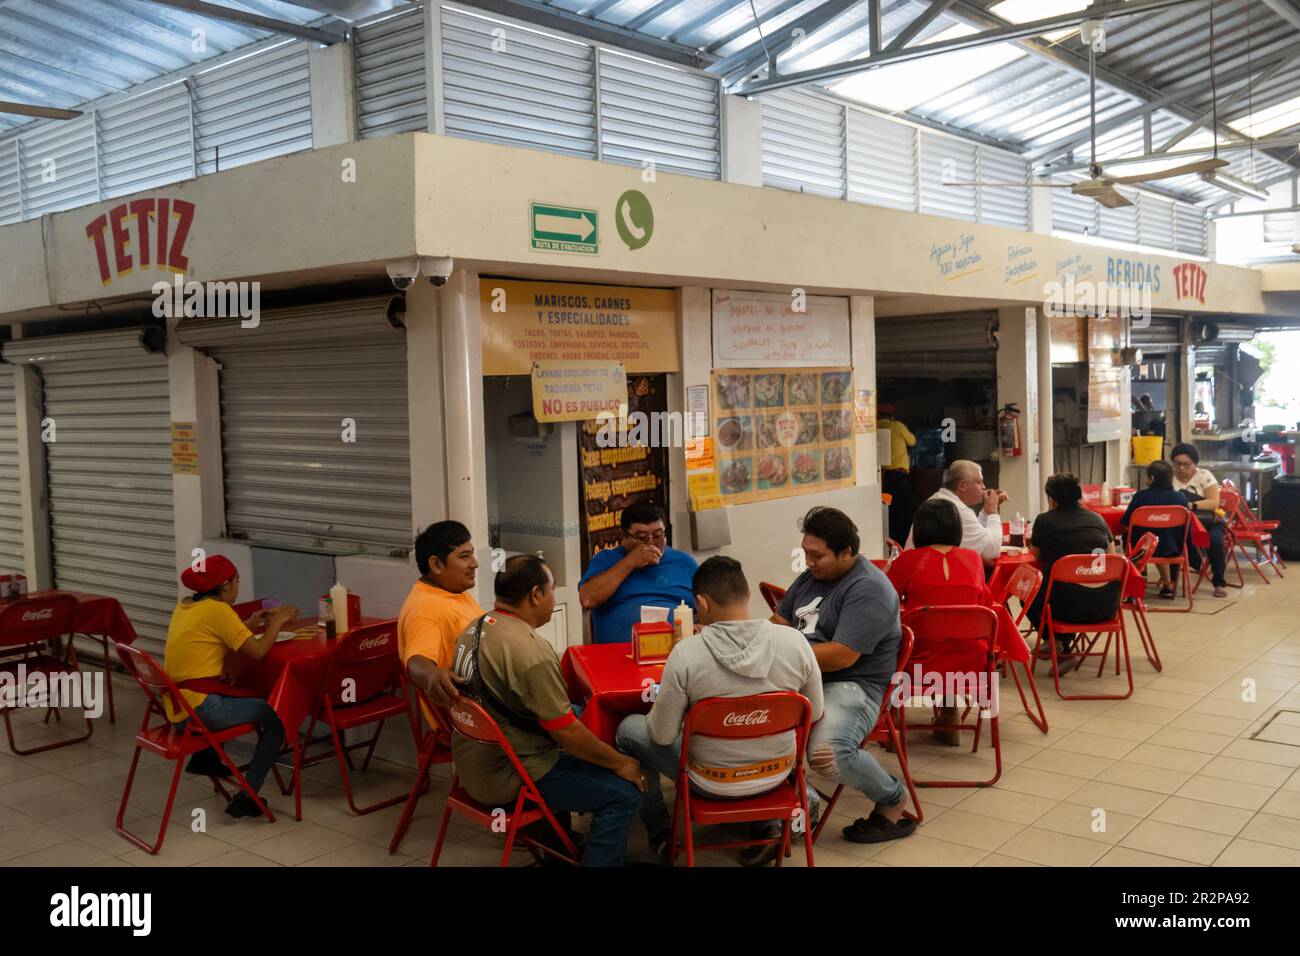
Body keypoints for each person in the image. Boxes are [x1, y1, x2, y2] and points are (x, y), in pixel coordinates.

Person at [614, 556, 823, 865]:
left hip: (710, 782)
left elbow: (661, 736)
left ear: (702, 603)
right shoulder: (795, 642)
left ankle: (660, 832)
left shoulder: (686, 654)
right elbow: (814, 712)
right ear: (747, 594)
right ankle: (769, 822)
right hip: (778, 775)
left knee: (628, 728)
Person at [449, 555, 646, 867]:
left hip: (470, 765)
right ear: (536, 595)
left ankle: (559, 852)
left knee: (579, 720)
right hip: (509, 776)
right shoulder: (531, 652)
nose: (553, 597)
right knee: (624, 793)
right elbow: (567, 734)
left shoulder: (475, 628)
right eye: (552, 589)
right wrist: (623, 763)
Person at [772, 506, 916, 848]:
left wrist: (784, 654)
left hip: (854, 685)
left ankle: (892, 797)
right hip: (806, 677)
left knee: (828, 754)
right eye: (806, 553)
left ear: (846, 552)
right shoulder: (811, 578)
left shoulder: (869, 590)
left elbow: (841, 656)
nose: (808, 562)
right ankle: (789, 798)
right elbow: (779, 624)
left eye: (817, 555)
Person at [162, 555, 298, 818]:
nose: (237, 589)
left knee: (236, 688)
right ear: (224, 584)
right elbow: (258, 651)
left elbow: (212, 636)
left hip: (178, 708)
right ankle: (248, 795)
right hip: (201, 711)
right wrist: (278, 621)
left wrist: (249, 625)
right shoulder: (219, 611)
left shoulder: (187, 605)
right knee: (277, 717)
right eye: (236, 582)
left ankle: (206, 757)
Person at [887, 498, 993, 746]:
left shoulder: (908, 560)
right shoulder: (973, 559)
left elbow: (885, 601)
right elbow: (985, 602)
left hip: (917, 662)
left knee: (889, 644)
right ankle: (949, 715)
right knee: (953, 635)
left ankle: (892, 724)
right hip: (972, 663)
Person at [1027, 474, 1118, 673]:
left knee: (1028, 594)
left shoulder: (1045, 520)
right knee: (1069, 588)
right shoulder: (1097, 518)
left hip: (1066, 608)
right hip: (1106, 606)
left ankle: (1059, 647)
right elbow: (1113, 558)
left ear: (1051, 499)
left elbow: (1035, 557)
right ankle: (1059, 643)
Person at [578, 503, 698, 644]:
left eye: (658, 535)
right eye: (642, 537)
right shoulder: (606, 560)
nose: (651, 543)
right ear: (623, 536)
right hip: (621, 650)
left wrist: (703, 627)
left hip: (677, 649)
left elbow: (708, 605)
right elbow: (587, 599)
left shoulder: (684, 562)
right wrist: (630, 562)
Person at [399, 521, 484, 712]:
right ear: (436, 564)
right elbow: (416, 661)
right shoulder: (425, 610)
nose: (475, 563)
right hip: (468, 716)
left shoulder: (451, 590)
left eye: (472, 554)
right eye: (464, 556)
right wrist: (432, 676)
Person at [906, 459, 1005, 565]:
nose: (984, 487)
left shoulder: (943, 499)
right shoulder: (957, 509)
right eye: (978, 482)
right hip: (926, 569)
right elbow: (993, 550)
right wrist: (992, 512)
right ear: (962, 485)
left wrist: (986, 512)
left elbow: (977, 534)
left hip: (920, 565)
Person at [1121, 460, 1192, 598]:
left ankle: (1135, 581)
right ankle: (1167, 584)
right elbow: (1186, 528)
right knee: (1161, 536)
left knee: (1134, 537)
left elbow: (1125, 523)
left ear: (1152, 478)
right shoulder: (1180, 498)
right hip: (1173, 548)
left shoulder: (1140, 496)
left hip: (1143, 550)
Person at [1170, 442, 1229, 598]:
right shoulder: (1169, 478)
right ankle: (1171, 581)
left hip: (1207, 522)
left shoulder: (1204, 475)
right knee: (1171, 538)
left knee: (1216, 540)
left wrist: (1190, 505)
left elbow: (1214, 502)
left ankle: (1219, 583)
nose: (1181, 468)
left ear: (1194, 463)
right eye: (1177, 464)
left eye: (1186, 464)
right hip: (1179, 524)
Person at [878, 402, 917, 544]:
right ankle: (903, 542)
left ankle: (891, 539)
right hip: (900, 476)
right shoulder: (897, 426)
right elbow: (912, 441)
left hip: (884, 477)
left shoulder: (875, 428)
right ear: (892, 415)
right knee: (905, 510)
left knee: (890, 510)